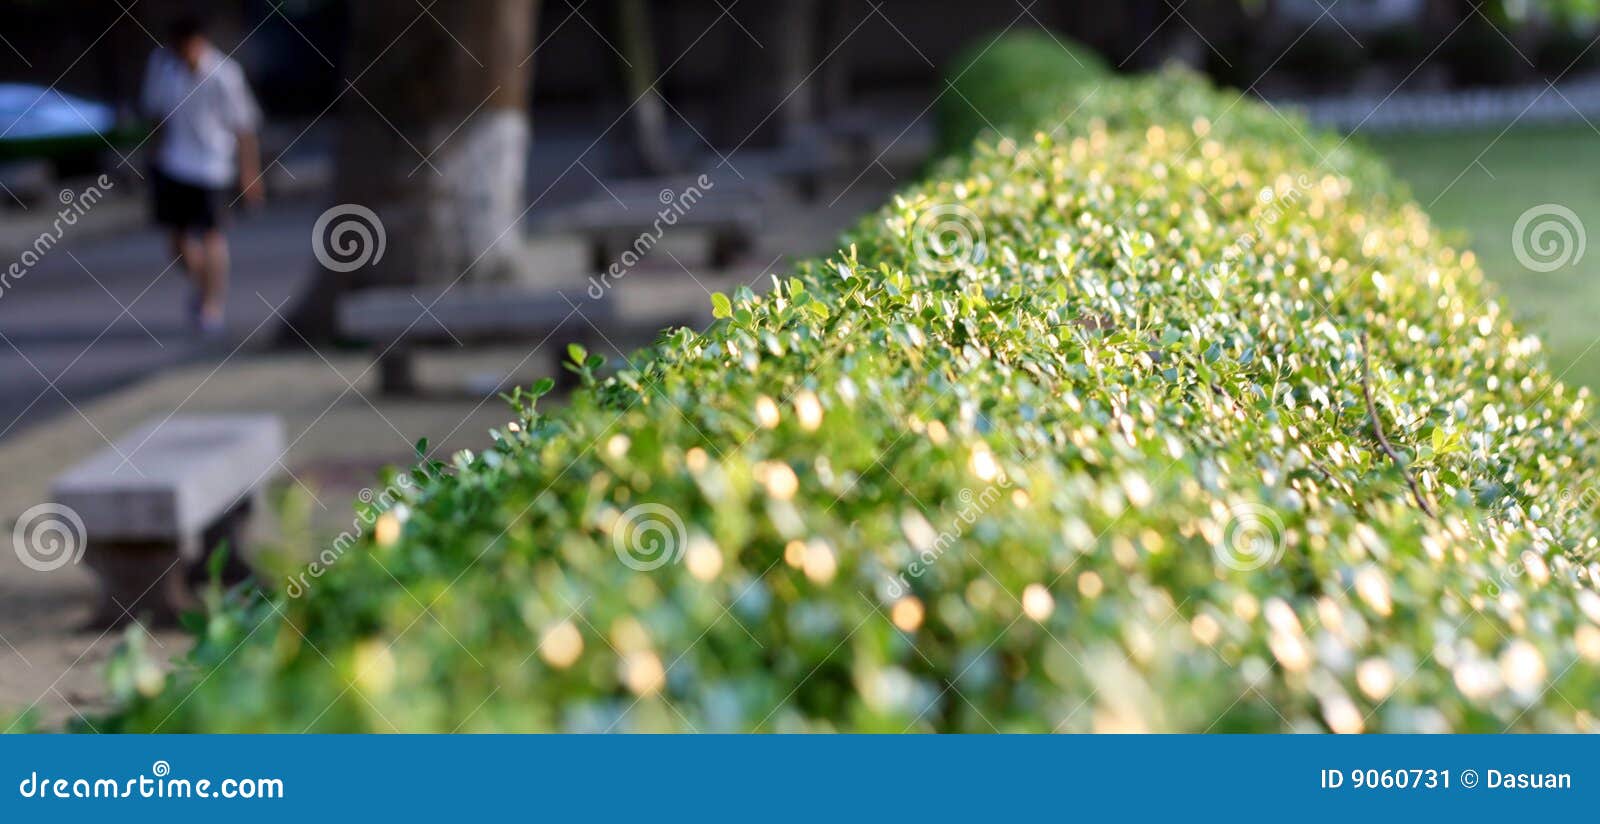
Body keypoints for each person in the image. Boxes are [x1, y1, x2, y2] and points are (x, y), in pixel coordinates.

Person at [140, 15, 263, 336]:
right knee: (177, 243)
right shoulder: (162, 67)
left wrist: (250, 173)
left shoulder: (225, 74)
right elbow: (156, 116)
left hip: (212, 167)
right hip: (173, 164)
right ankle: (204, 286)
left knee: (211, 236)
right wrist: (151, 159)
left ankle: (212, 305)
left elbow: (244, 128)